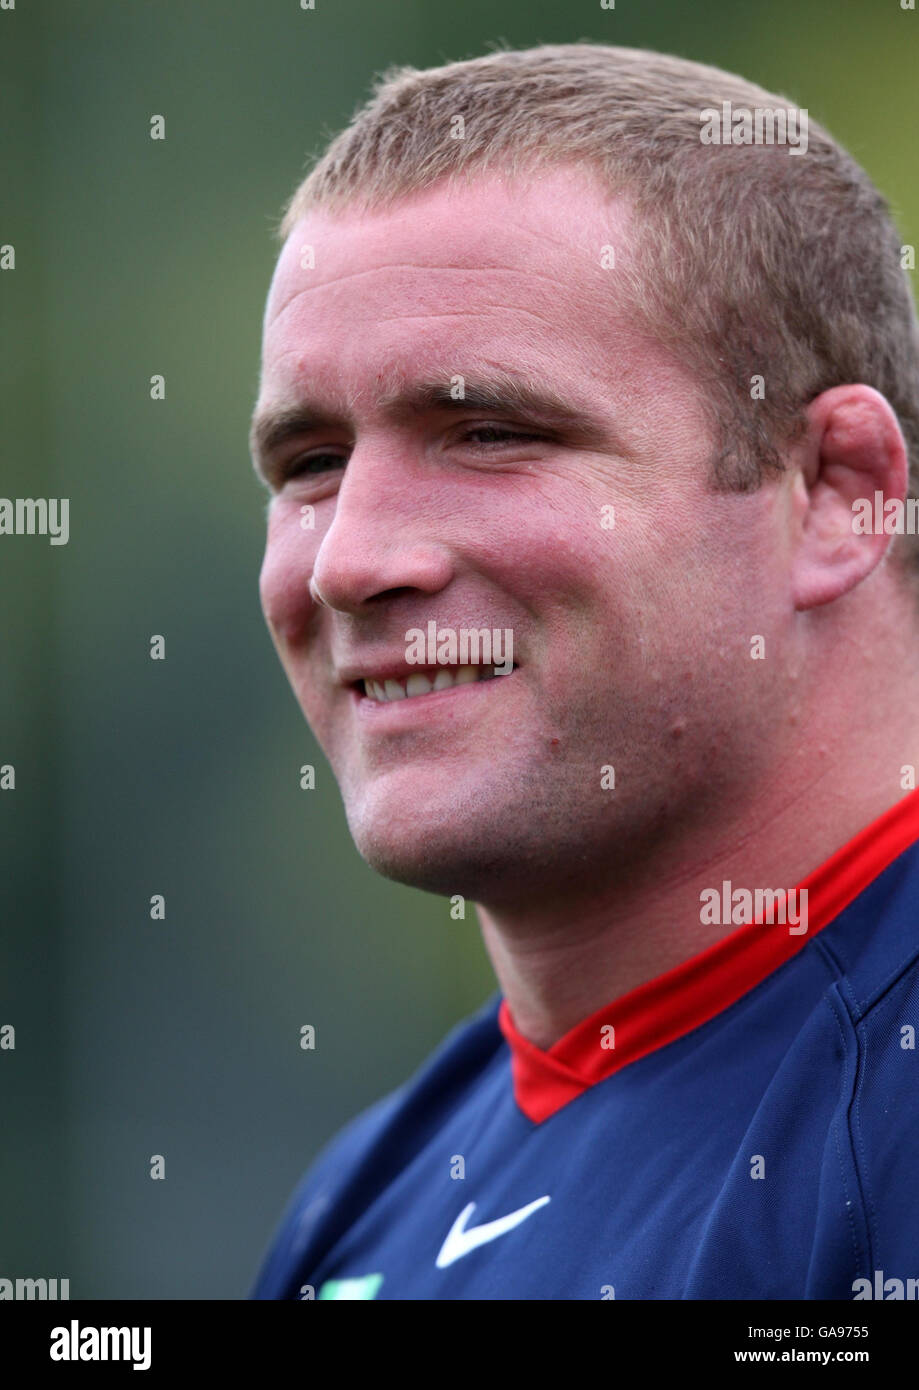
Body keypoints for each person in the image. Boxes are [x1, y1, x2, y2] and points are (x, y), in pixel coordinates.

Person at [247, 43, 919, 1299]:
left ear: (836, 494)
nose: (347, 561)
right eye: (310, 462)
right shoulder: (363, 1203)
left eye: (489, 432)